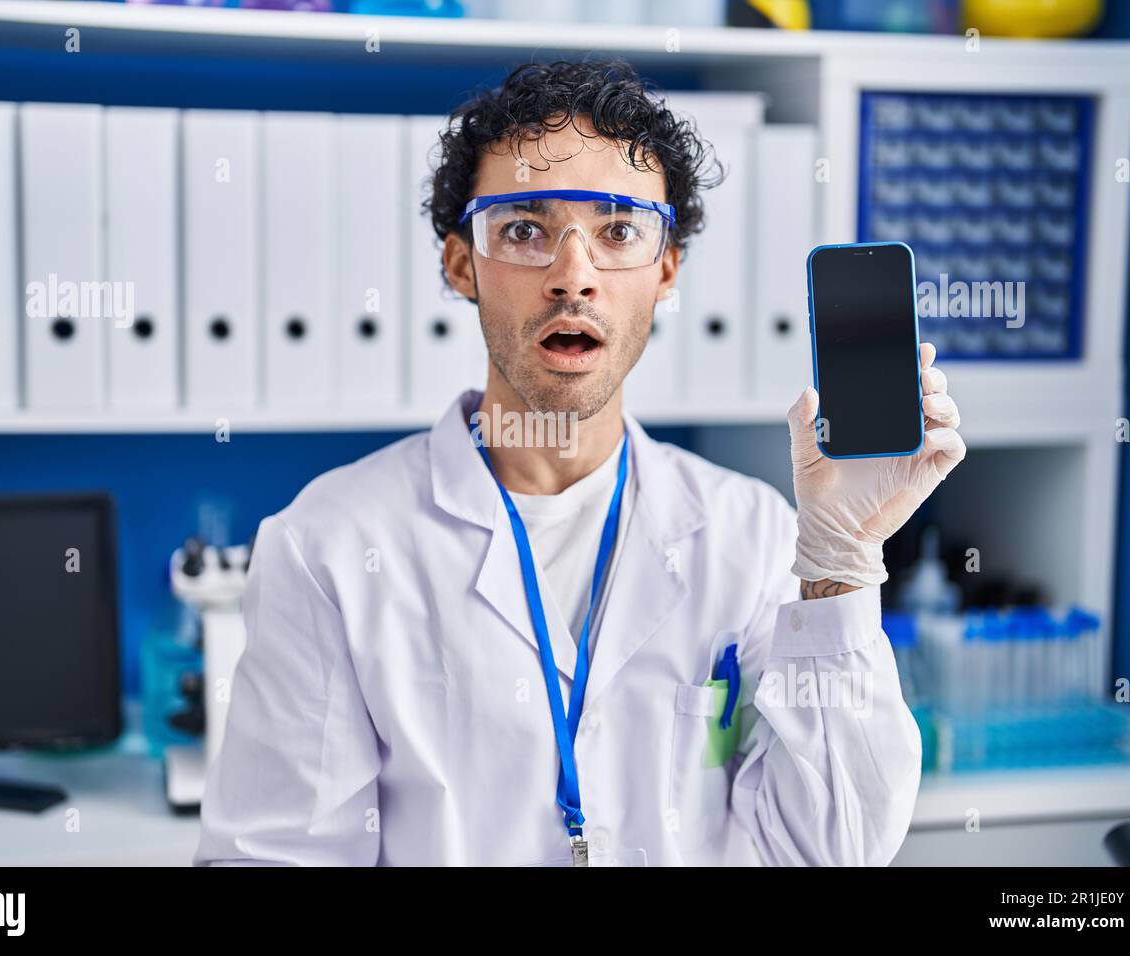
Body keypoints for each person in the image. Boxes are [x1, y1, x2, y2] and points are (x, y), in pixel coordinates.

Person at [194, 59, 965, 866]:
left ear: (665, 270)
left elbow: (832, 849)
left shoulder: (755, 537)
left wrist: (840, 567)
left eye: (619, 231)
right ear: (461, 264)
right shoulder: (330, 547)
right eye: (523, 230)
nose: (574, 276)